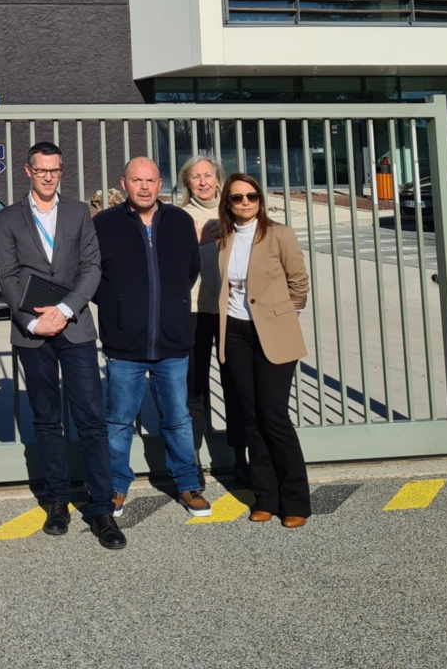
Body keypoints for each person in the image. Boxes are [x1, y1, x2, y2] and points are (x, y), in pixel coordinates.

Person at [0, 142, 124, 550]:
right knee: (47, 420)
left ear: (60, 172)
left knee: (91, 419)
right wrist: (33, 320)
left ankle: (102, 508)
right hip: (32, 331)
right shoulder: (9, 218)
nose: (49, 177)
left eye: (55, 170)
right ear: (27, 171)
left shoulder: (78, 212)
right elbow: (8, 273)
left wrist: (64, 310)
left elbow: (91, 266)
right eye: (42, 170)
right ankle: (57, 502)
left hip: (74, 327)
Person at [94, 157, 210, 519]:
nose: (144, 187)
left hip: (173, 342)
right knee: (118, 422)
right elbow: (95, 277)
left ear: (161, 184)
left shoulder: (178, 221)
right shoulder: (105, 224)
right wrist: (119, 308)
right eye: (136, 180)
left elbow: (190, 270)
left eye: (151, 180)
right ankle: (115, 487)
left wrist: (172, 306)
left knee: (177, 418)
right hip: (125, 344)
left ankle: (188, 485)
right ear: (123, 183)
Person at [217, 171, 311, 528]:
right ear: (228, 203)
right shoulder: (224, 237)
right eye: (237, 198)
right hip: (237, 331)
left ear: (260, 200)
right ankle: (265, 498)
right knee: (251, 418)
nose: (245, 203)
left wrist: (284, 317)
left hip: (273, 332)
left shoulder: (279, 234)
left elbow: (298, 282)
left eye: (251, 196)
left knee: (274, 416)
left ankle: (296, 500)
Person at [175, 155, 234, 474]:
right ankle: (193, 460)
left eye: (208, 175)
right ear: (187, 183)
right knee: (195, 389)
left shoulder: (235, 211)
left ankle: (240, 459)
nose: (202, 182)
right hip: (195, 312)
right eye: (195, 177)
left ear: (218, 178)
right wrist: (196, 241)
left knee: (236, 386)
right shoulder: (180, 216)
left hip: (231, 312)